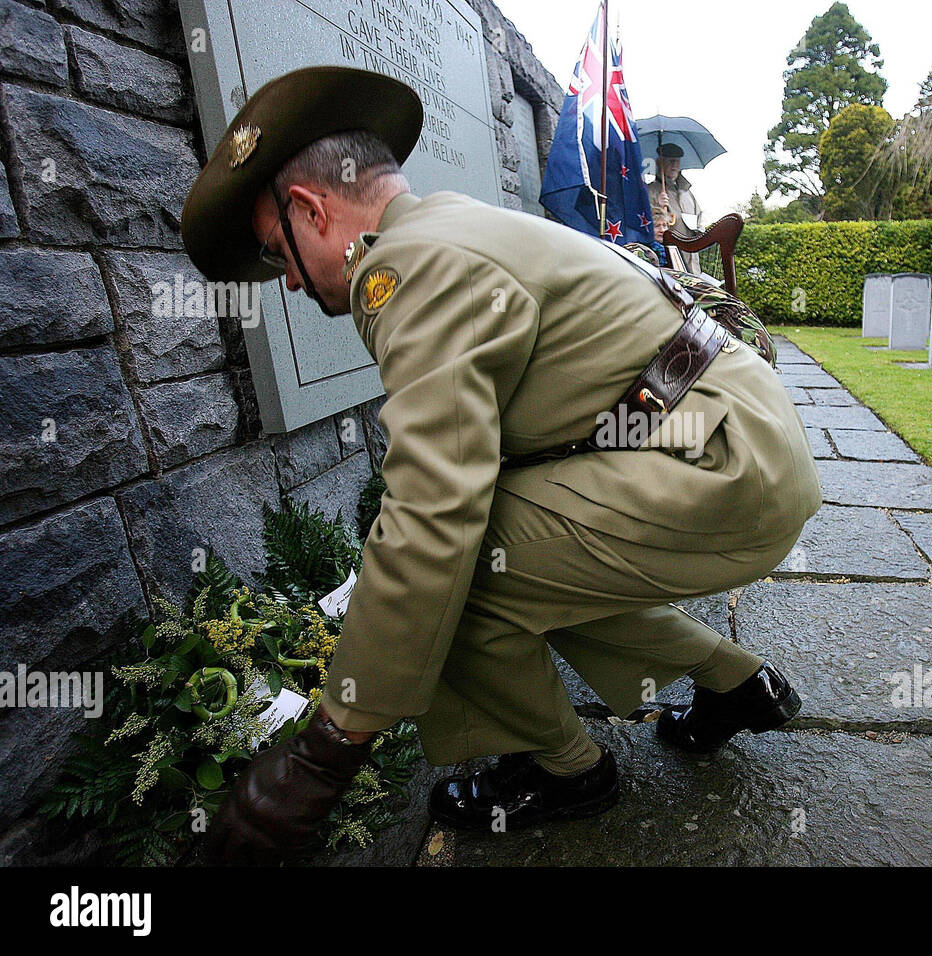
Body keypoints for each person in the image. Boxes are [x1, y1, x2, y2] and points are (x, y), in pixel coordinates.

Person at [181, 67, 821, 862]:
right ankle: (733, 683)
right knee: (527, 549)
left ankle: (563, 771)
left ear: (312, 210)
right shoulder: (445, 228)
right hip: (727, 437)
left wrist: (326, 751)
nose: (287, 279)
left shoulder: (405, 273)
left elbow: (433, 521)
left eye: (282, 252)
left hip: (721, 460)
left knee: (463, 572)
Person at [649, 142, 705, 274]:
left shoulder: (688, 193)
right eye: (670, 161)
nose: (674, 165)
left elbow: (700, 217)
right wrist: (658, 205)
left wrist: (700, 230)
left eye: (677, 161)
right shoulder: (650, 191)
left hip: (692, 260)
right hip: (668, 262)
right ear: (659, 163)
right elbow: (648, 224)